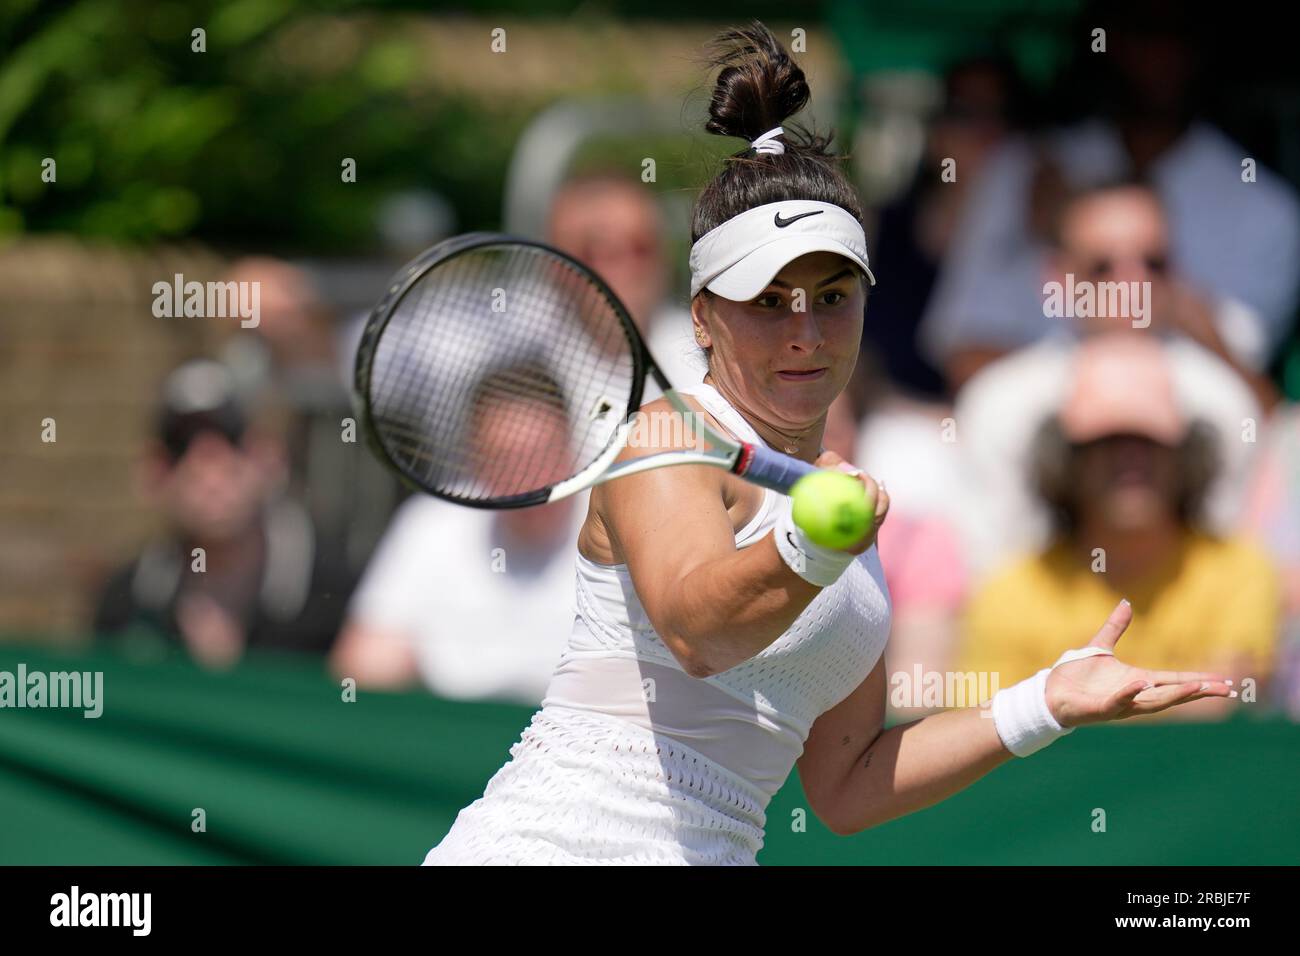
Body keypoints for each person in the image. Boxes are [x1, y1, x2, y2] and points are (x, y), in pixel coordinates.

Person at [422, 22, 1234, 867]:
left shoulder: (842, 514)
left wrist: (1044, 702)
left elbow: (848, 786)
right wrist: (811, 544)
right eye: (769, 301)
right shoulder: (669, 436)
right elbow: (700, 633)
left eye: (832, 296)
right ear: (702, 315)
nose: (806, 331)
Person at [957, 335, 1280, 722]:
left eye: (1148, 442)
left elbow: (1223, 699)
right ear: (1067, 460)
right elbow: (985, 726)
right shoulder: (1009, 592)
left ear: (1186, 455)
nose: (1130, 462)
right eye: (1107, 443)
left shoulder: (1239, 571)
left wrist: (1064, 712)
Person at [330, 367, 588, 702]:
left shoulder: (620, 531)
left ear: (573, 448)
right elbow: (360, 666)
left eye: (541, 454)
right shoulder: (432, 524)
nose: (530, 479)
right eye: (506, 460)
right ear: (476, 462)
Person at [93, 359, 358, 667]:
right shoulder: (127, 601)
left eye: (231, 437)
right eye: (181, 443)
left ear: (271, 456)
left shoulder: (338, 593)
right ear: (155, 472)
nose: (208, 468)